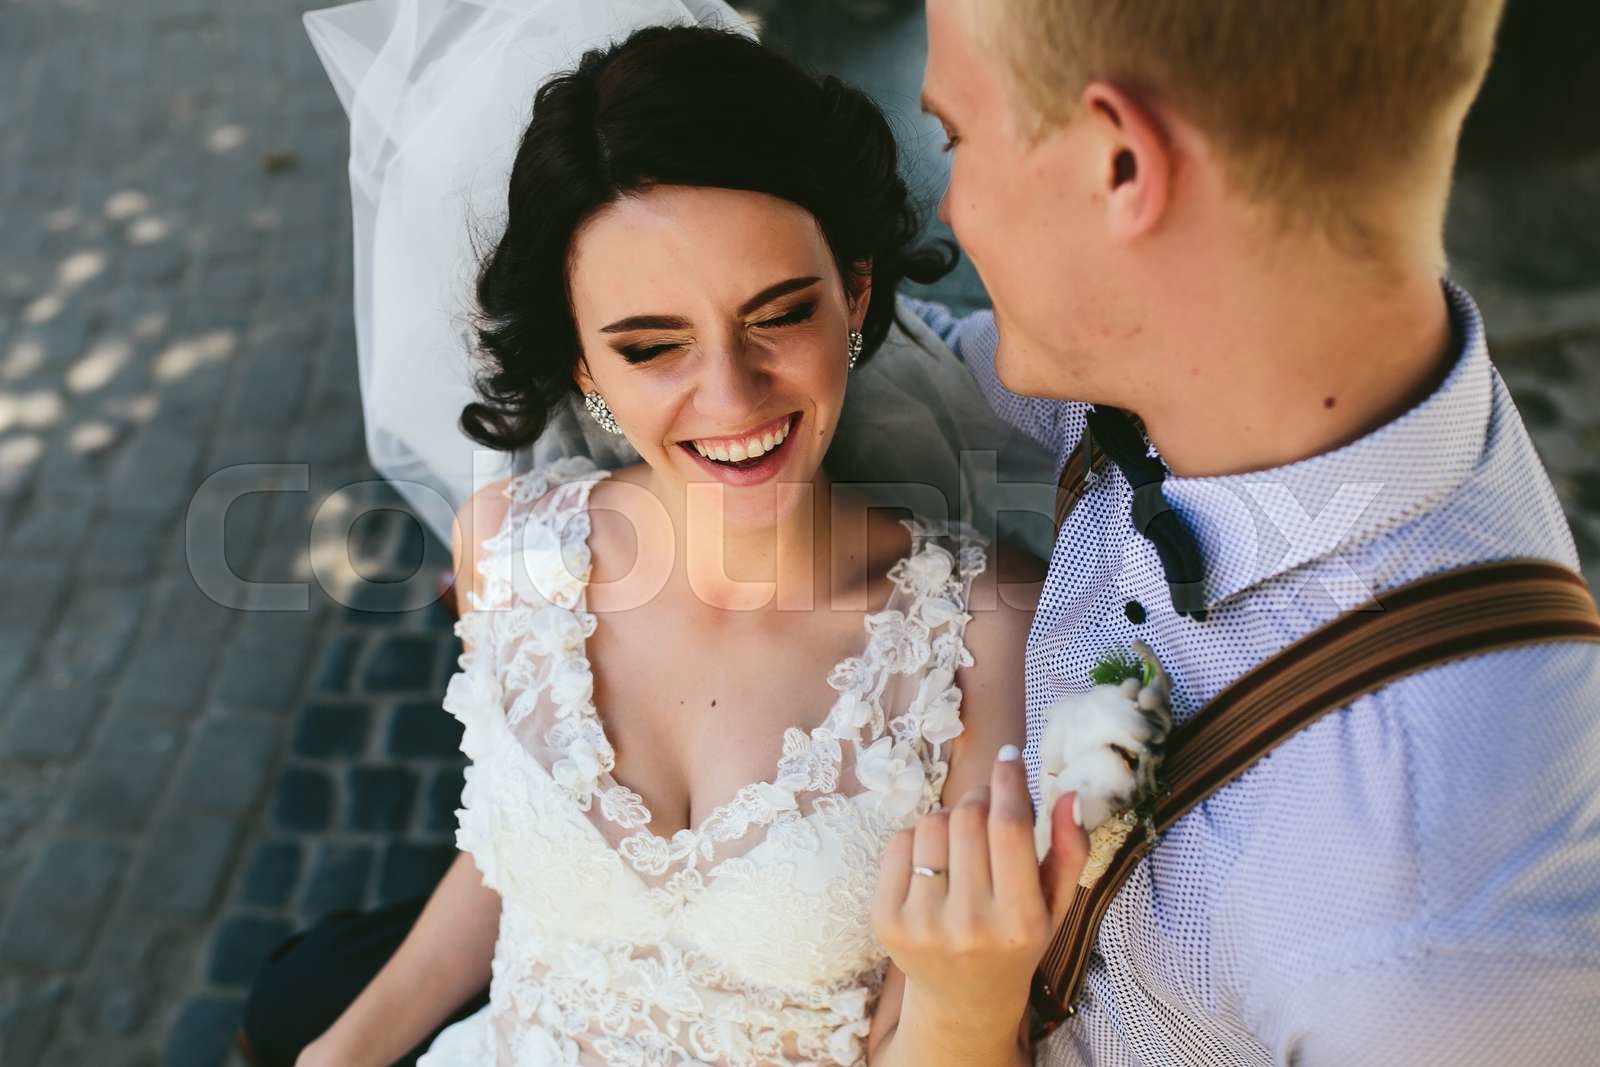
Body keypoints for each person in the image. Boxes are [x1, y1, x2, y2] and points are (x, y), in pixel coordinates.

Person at [245, 6, 1086, 1066]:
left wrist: (971, 1005)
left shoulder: (983, 634)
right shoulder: (507, 549)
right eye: (651, 346)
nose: (731, 397)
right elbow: (506, 857)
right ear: (583, 362)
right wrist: (341, 1050)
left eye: (778, 314)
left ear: (855, 290)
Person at [906, 0, 1600, 1062]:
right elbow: (915, 367)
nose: (949, 205)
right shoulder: (1244, 352)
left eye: (953, 136)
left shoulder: (1435, 940)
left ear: (1121, 164)